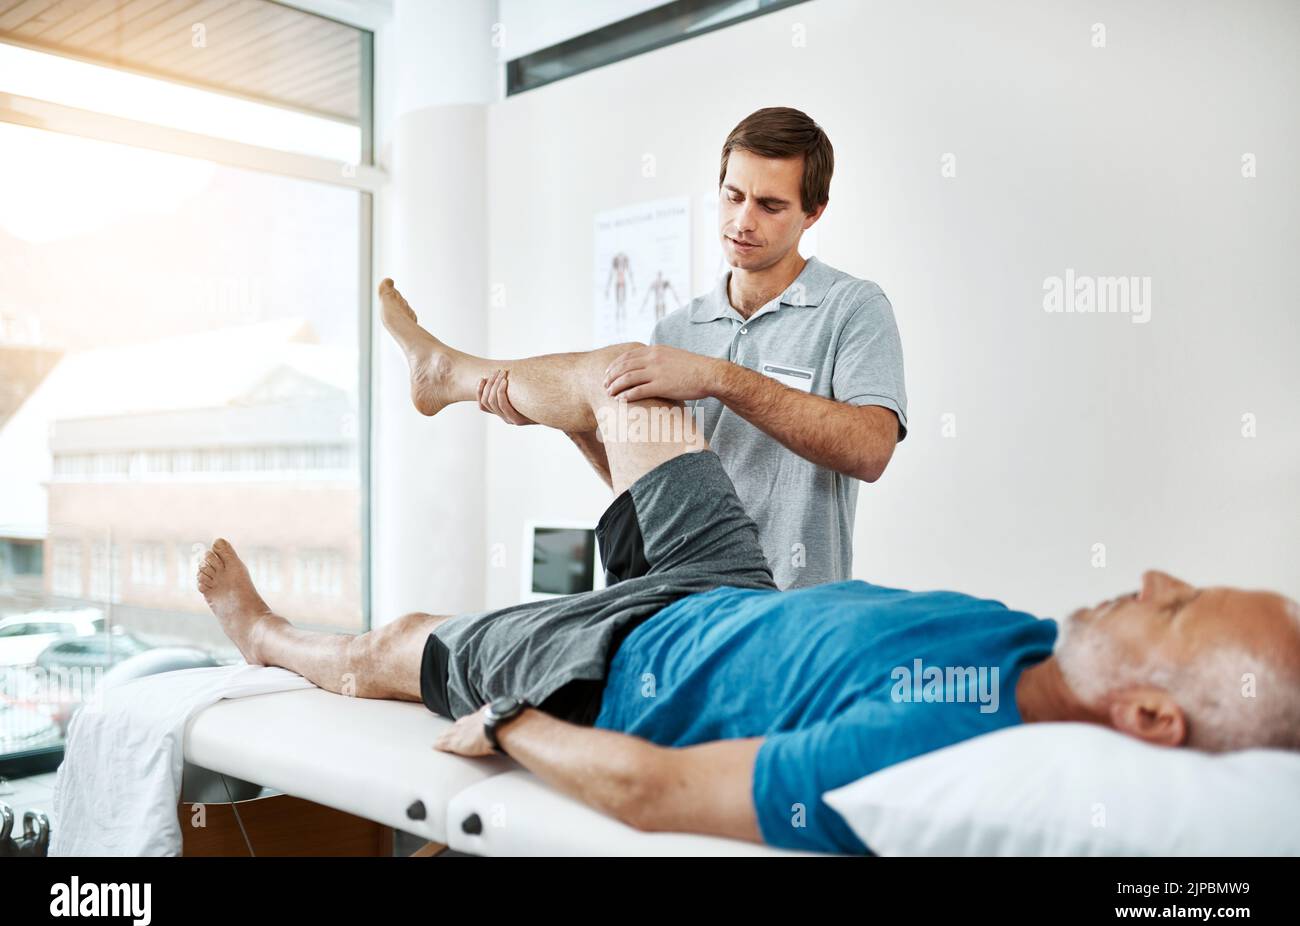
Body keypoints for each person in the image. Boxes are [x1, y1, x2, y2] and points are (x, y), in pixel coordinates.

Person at [195, 280, 1300, 854]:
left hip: (621, 660)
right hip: (732, 584)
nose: (1157, 577)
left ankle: (267, 638)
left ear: (1149, 716)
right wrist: (599, 451)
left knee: (402, 642)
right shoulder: (1031, 645)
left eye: (1180, 608)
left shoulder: (930, 755)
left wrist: (511, 723)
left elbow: (653, 792)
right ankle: (447, 372)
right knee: (631, 382)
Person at [477, 107, 908, 589]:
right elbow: (653, 496)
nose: (742, 221)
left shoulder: (851, 307)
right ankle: (452, 374)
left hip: (793, 611)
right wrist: (571, 422)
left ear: (814, 212)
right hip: (685, 604)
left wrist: (716, 377)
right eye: (733, 196)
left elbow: (870, 450)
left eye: (770, 206)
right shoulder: (675, 331)